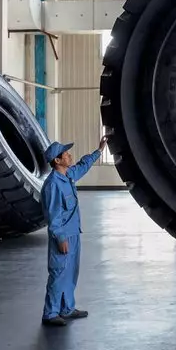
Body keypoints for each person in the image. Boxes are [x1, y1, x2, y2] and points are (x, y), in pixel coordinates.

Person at [40, 136, 107, 327]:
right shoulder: (53, 185)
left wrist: (99, 150)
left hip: (74, 233)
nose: (69, 156)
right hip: (62, 235)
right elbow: (53, 217)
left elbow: (83, 165)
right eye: (66, 154)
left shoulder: (68, 176)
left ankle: (67, 308)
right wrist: (60, 238)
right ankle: (50, 313)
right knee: (59, 273)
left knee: (71, 273)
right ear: (57, 161)